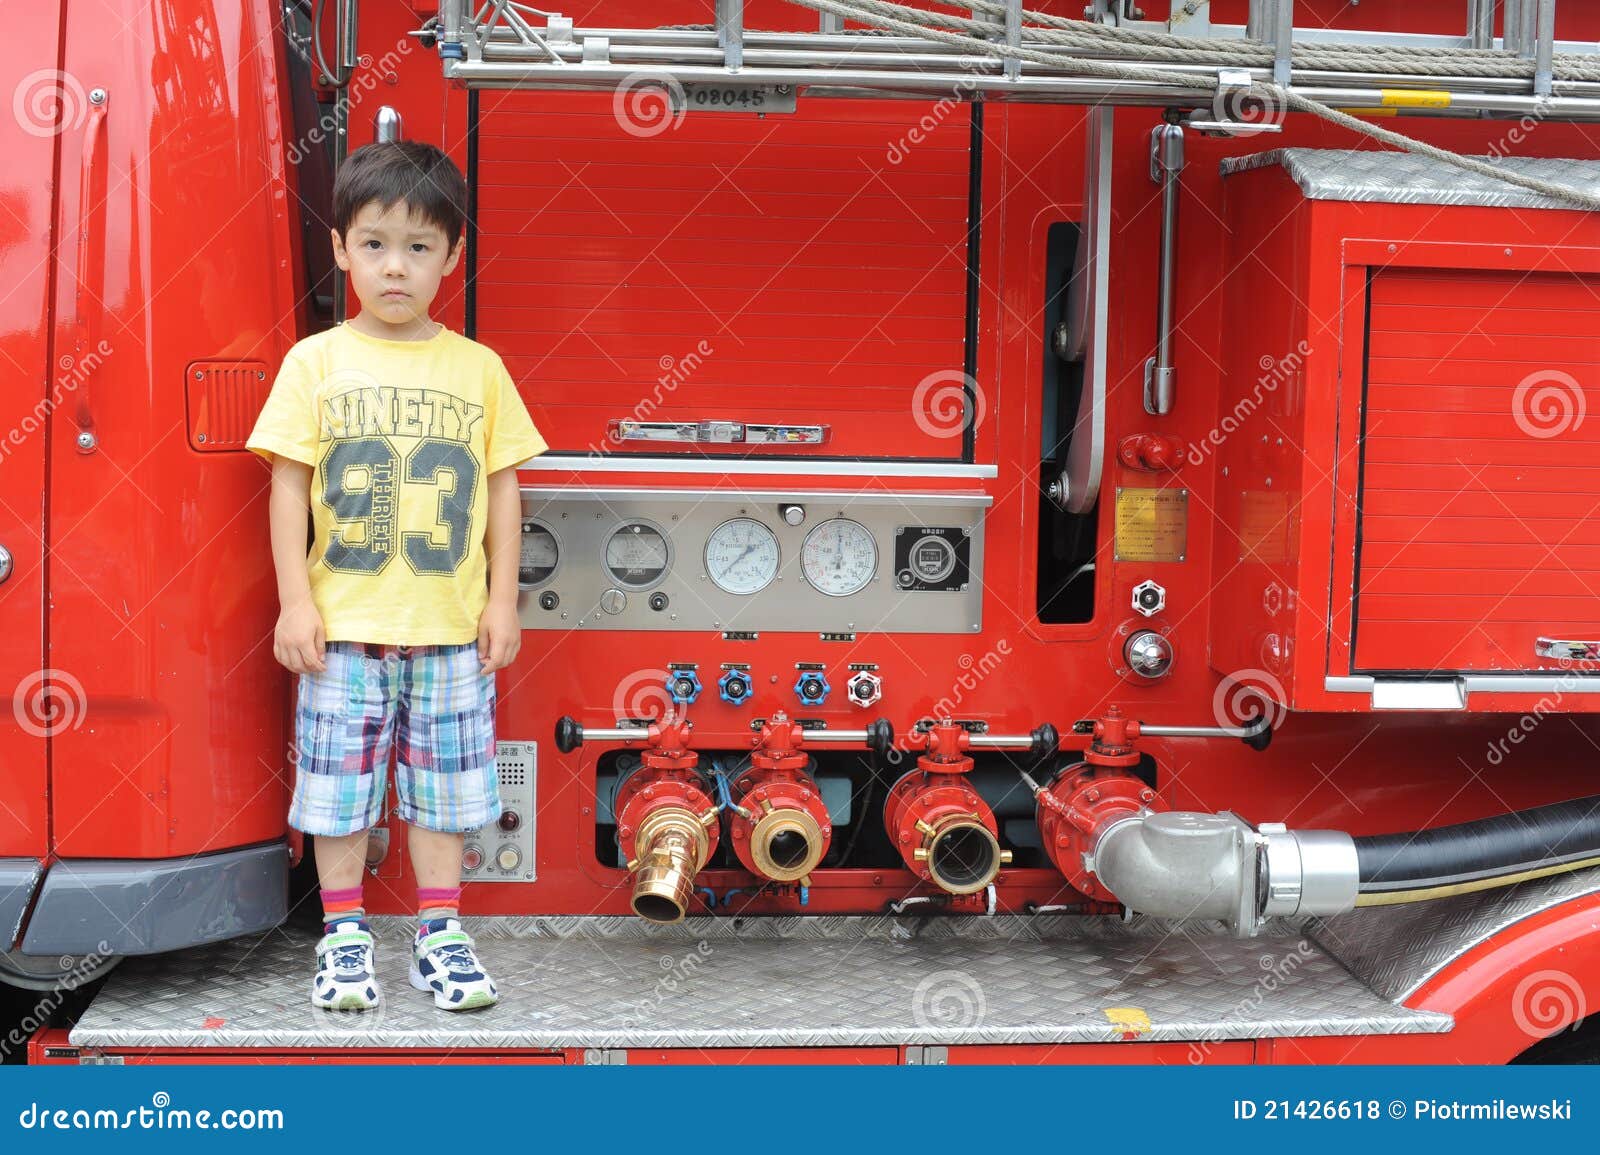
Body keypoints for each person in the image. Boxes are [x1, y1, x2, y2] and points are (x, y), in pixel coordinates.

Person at [247, 140, 548, 1012]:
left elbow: (502, 488)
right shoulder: (316, 362)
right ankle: (344, 937)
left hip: (450, 629)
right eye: (374, 243)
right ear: (340, 248)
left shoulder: (478, 369)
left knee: (446, 794)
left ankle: (439, 936)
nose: (395, 266)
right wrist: (295, 603)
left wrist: (501, 601)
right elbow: (289, 483)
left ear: (452, 258)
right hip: (343, 630)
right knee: (340, 795)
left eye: (420, 248)